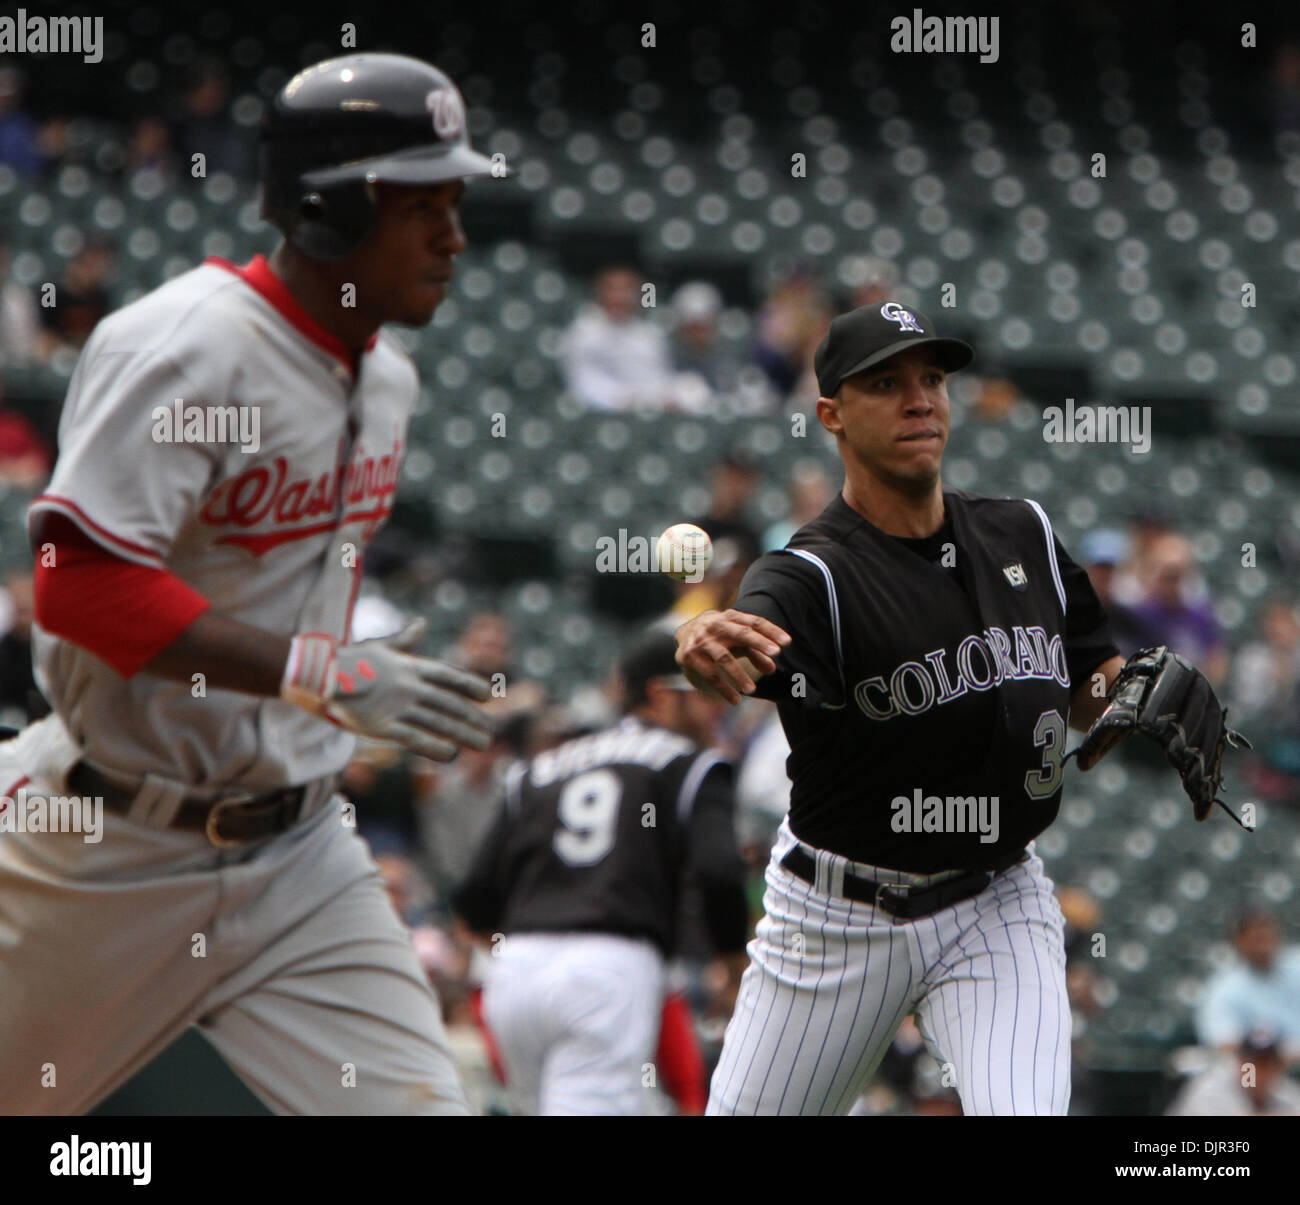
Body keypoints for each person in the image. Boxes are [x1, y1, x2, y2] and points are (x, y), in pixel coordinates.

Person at [0, 52, 505, 1116]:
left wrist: (321, 670)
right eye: (426, 207)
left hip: (302, 856)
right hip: (110, 845)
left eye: (456, 204)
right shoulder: (188, 346)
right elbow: (77, 586)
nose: (454, 238)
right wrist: (317, 669)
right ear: (327, 210)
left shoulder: (388, 372)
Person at [675, 299, 1131, 1116]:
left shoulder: (1021, 530)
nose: (920, 399)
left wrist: (1132, 693)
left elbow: (1091, 676)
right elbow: (756, 616)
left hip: (997, 898)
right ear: (831, 414)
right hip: (837, 919)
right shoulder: (812, 575)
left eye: (932, 378)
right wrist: (706, 631)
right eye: (886, 383)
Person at [453, 630, 750, 1115]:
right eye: (706, 690)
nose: (722, 705)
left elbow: (473, 898)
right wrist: (733, 965)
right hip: (609, 968)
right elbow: (719, 870)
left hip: (515, 972)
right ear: (659, 693)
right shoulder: (689, 764)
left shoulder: (540, 768)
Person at [561, 265, 672, 411]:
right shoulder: (582, 333)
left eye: (626, 290)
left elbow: (658, 378)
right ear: (599, 294)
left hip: (647, 410)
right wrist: (627, 399)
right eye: (612, 289)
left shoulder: (650, 335)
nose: (619, 297)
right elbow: (582, 384)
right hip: (598, 413)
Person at [1196, 910, 1300, 1059]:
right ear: (1238, 942)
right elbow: (1224, 1043)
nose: (1264, 944)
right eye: (1257, 938)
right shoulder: (1225, 987)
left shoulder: (1296, 966)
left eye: (1268, 936)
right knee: (1246, 1075)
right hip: (1261, 1068)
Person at [1167, 1029, 1300, 1116]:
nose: (1257, 1071)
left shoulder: (1284, 1090)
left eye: (1265, 1064)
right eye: (1251, 1063)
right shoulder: (1211, 1086)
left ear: (1278, 1067)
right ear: (1239, 1061)